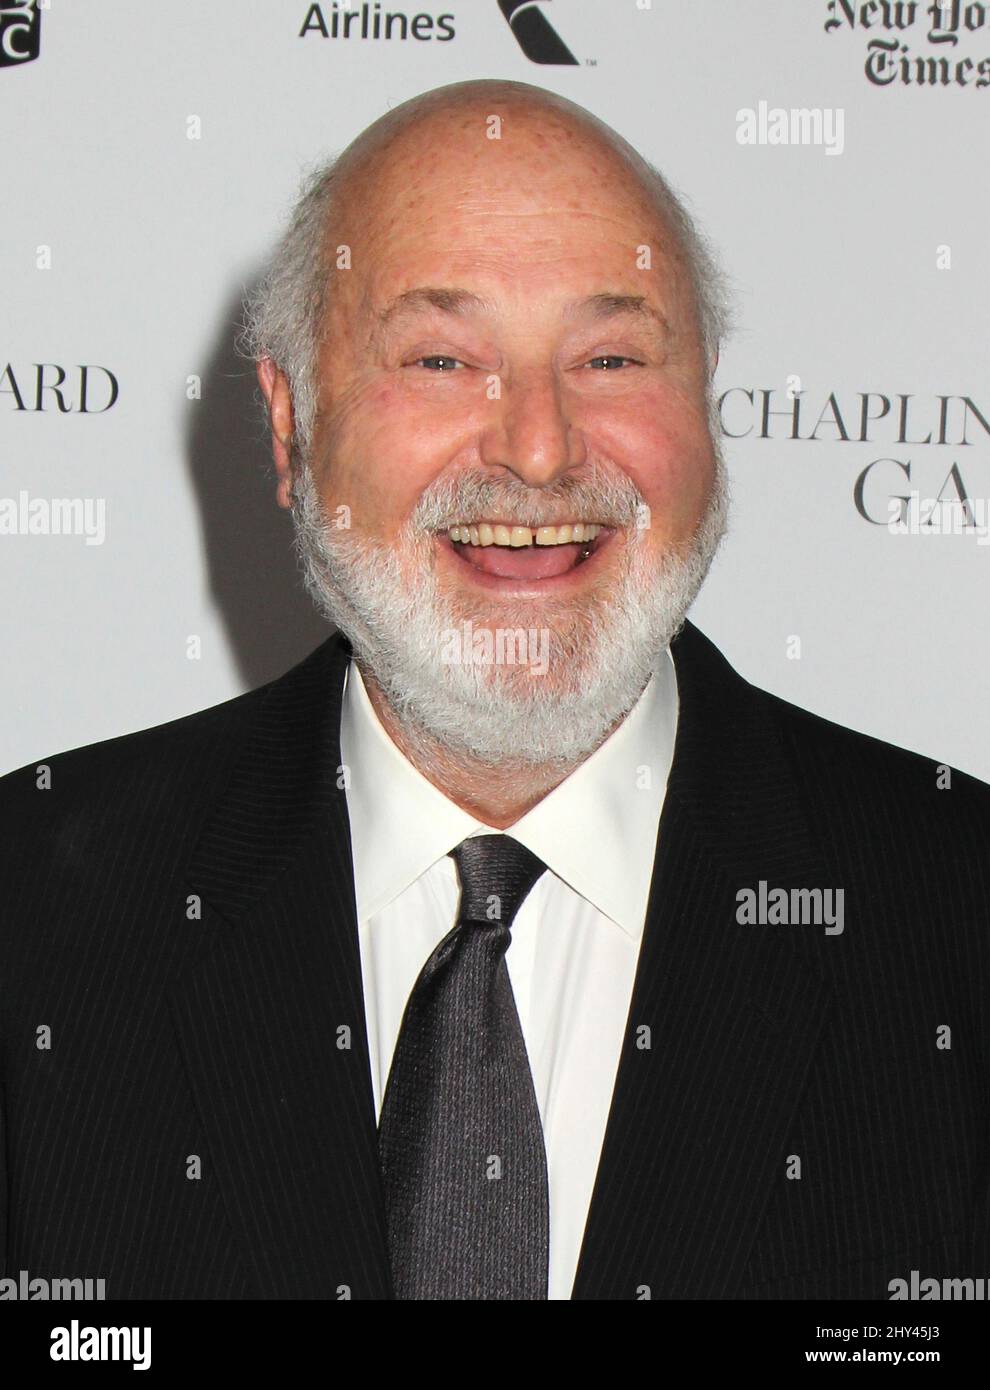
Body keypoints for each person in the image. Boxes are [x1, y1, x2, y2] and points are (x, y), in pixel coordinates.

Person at [1, 79, 988, 1302]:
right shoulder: (35, 913)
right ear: (290, 424)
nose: (537, 446)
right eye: (442, 357)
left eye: (612, 355)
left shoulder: (955, 915)